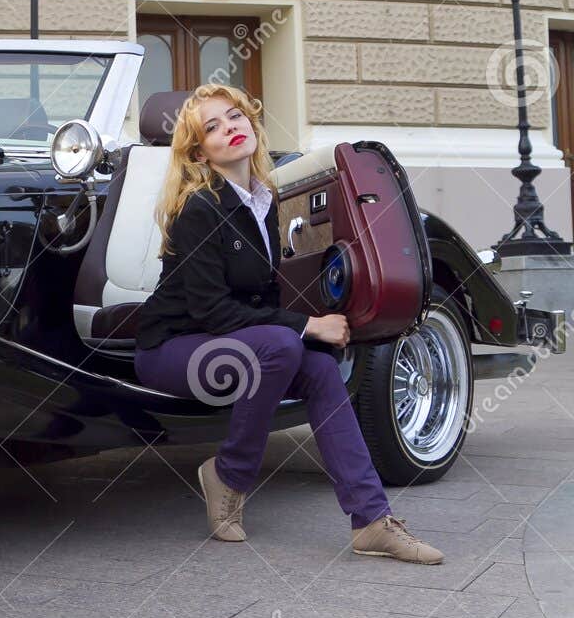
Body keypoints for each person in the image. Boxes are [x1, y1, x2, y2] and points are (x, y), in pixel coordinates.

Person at [132, 83, 443, 564]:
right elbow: (211, 311)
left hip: (231, 343)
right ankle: (230, 476)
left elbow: (262, 295)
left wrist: (315, 329)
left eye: (234, 116)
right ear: (199, 151)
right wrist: (308, 325)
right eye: (211, 127)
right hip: (172, 349)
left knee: (317, 369)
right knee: (284, 344)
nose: (229, 129)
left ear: (251, 123)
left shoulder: (264, 200)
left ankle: (371, 521)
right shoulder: (199, 208)